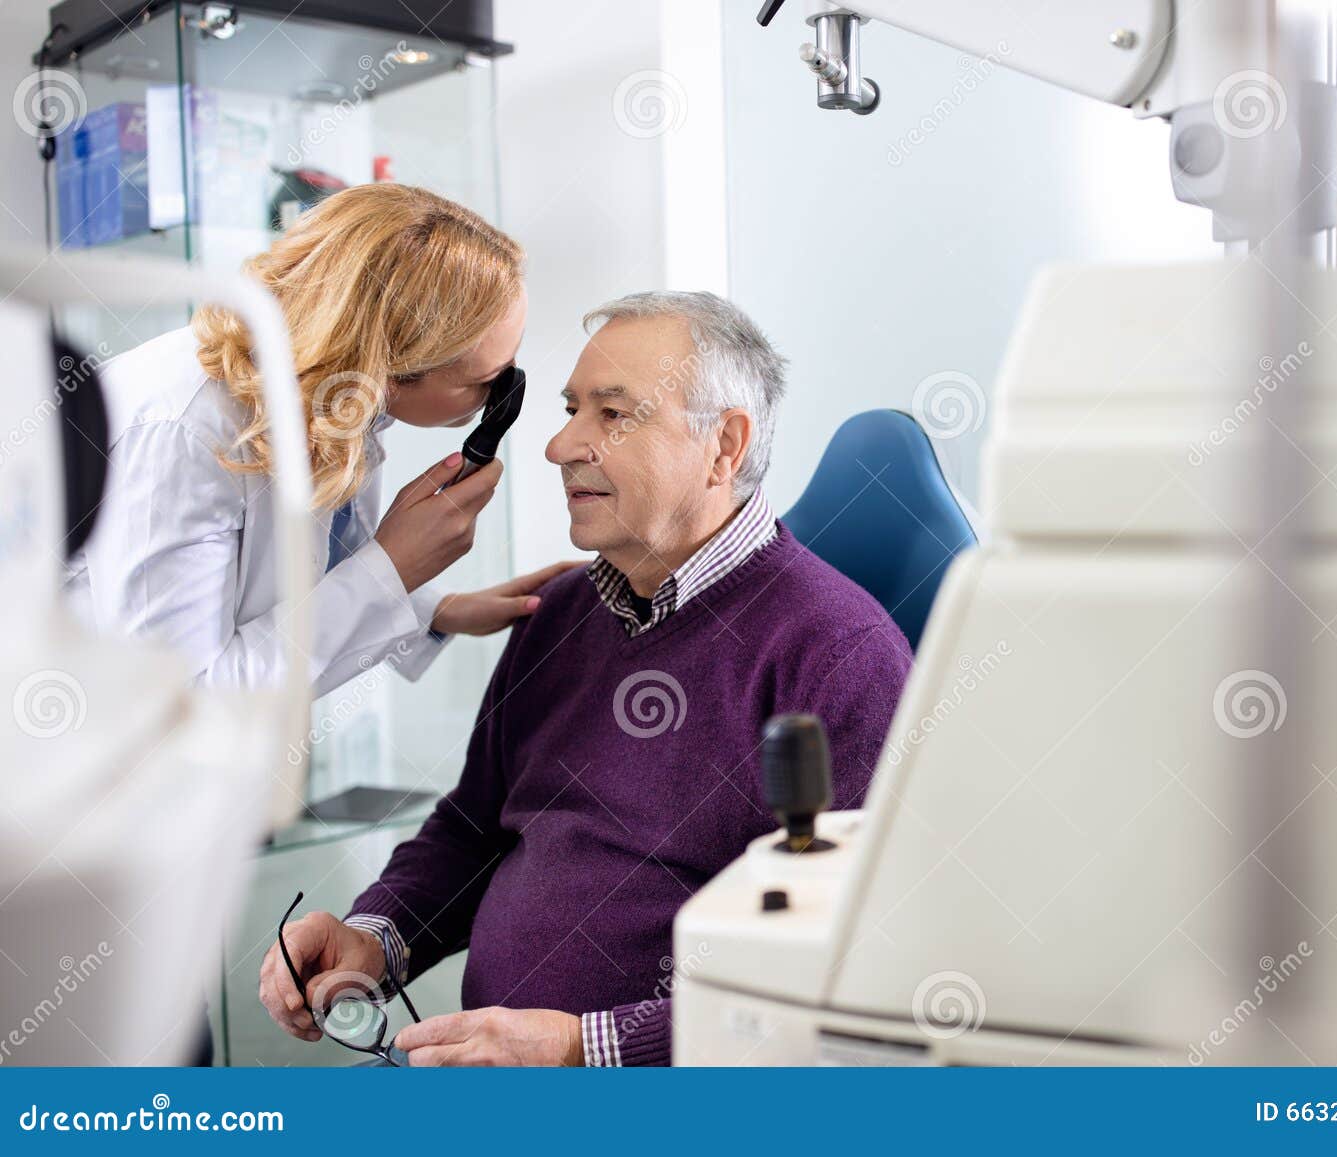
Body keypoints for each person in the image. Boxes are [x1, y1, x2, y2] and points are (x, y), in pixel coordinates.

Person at [260, 291, 913, 1066]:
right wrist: (376, 936)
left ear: (723, 446)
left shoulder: (837, 653)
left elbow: (849, 965)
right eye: (572, 409)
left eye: (612, 414)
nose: (561, 445)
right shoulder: (560, 613)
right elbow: (473, 830)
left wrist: (584, 1047)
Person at [67, 183, 574, 700]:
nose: (501, 397)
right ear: (393, 368)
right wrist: (392, 569)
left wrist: (437, 609)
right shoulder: (182, 433)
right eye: (488, 380)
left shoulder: (332, 395)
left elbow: (320, 558)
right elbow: (182, 704)